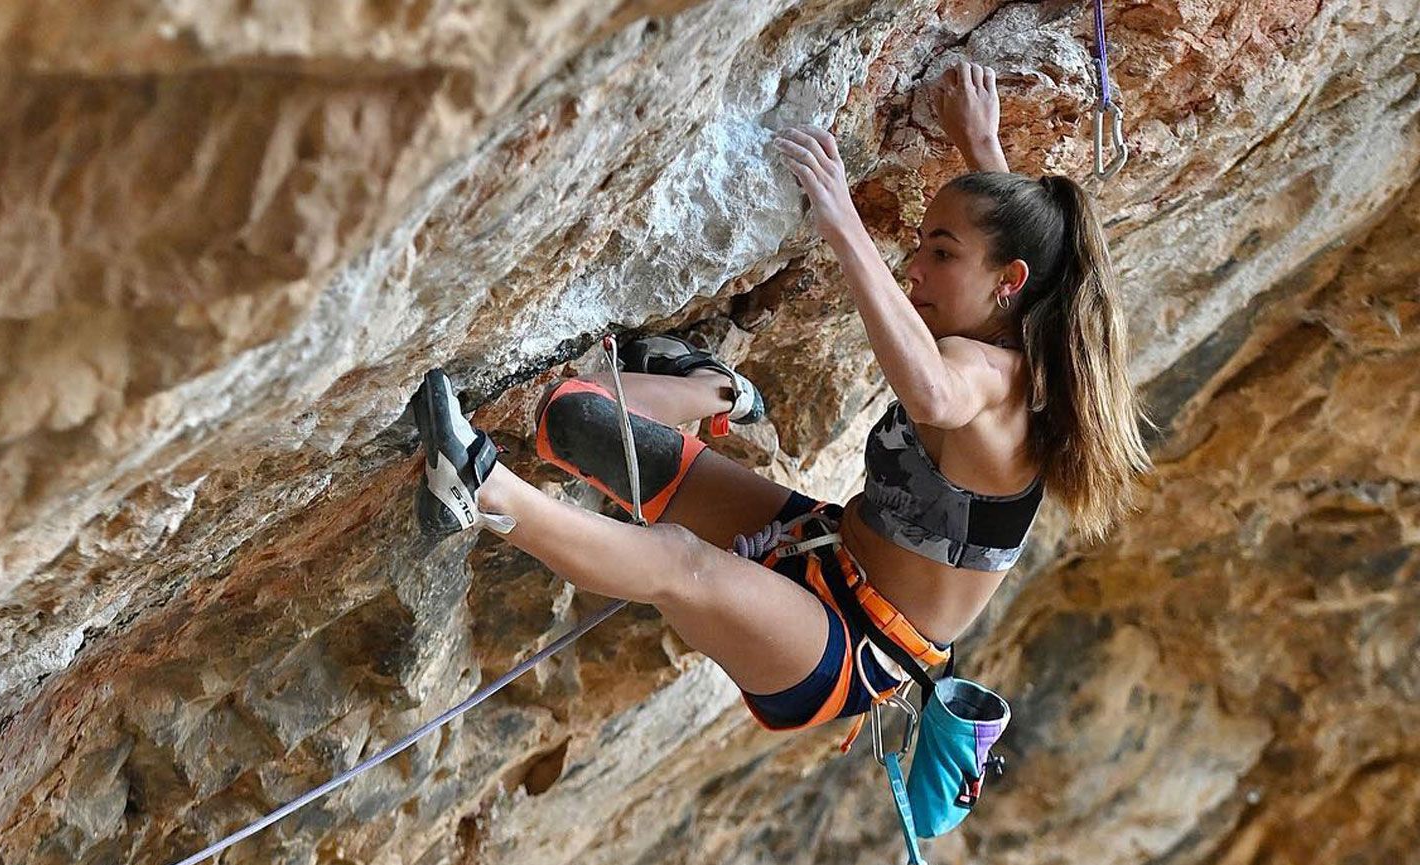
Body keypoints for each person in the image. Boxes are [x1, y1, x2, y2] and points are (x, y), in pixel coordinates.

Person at [410, 60, 1149, 734]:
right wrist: (980, 146)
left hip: (848, 649)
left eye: (938, 253)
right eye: (922, 245)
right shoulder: (1033, 333)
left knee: (679, 562)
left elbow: (932, 392)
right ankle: (712, 389)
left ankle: (475, 483)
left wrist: (841, 221)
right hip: (822, 547)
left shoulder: (993, 378)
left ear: (1005, 281)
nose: (914, 268)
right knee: (574, 419)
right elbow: (1025, 259)